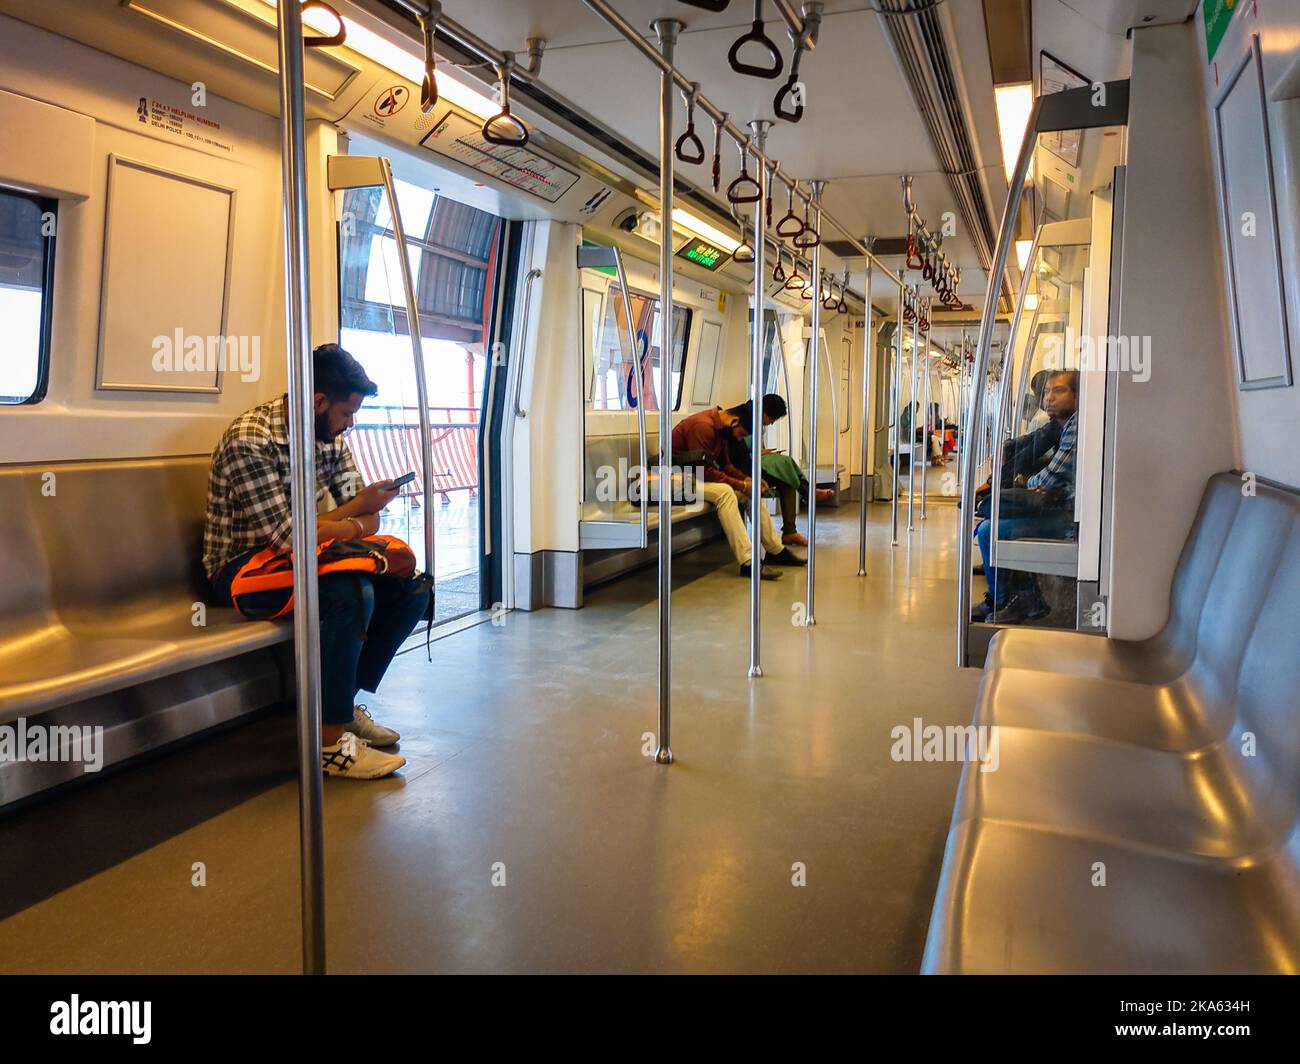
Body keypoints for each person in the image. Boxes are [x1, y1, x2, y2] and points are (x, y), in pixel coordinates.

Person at [203, 344, 430, 780]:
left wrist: (343, 520)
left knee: (411, 588)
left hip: (300, 556)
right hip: (242, 569)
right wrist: (349, 521)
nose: (350, 423)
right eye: (347, 413)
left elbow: (367, 513)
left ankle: (341, 708)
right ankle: (328, 746)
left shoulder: (328, 438)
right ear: (318, 401)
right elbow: (289, 537)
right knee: (350, 591)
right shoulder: (251, 440)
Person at [971, 369, 1080, 624]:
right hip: (1062, 506)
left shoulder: (1076, 427)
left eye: (1059, 390)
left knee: (990, 530)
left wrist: (1025, 481)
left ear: (1077, 397)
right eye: (1047, 392)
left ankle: (1007, 600)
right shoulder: (1061, 425)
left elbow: (1050, 477)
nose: (1049, 397)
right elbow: (1036, 451)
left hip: (1069, 518)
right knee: (989, 524)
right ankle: (1017, 598)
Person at [671, 403, 807, 579]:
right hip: (675, 480)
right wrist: (740, 485)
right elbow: (704, 471)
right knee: (725, 493)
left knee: (747, 493)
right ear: (734, 422)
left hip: (694, 476)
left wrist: (747, 480)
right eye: (741, 434)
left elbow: (725, 465)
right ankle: (748, 561)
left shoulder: (721, 429)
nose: (738, 439)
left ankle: (775, 550)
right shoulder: (702, 427)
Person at [725, 393, 832, 547]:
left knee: (786, 475)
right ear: (765, 413)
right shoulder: (742, 419)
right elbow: (735, 451)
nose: (771, 423)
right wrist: (754, 454)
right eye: (772, 420)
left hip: (751, 460)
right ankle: (808, 492)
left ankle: (790, 531)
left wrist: (760, 451)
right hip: (741, 466)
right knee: (784, 464)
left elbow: (752, 447)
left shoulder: (752, 416)